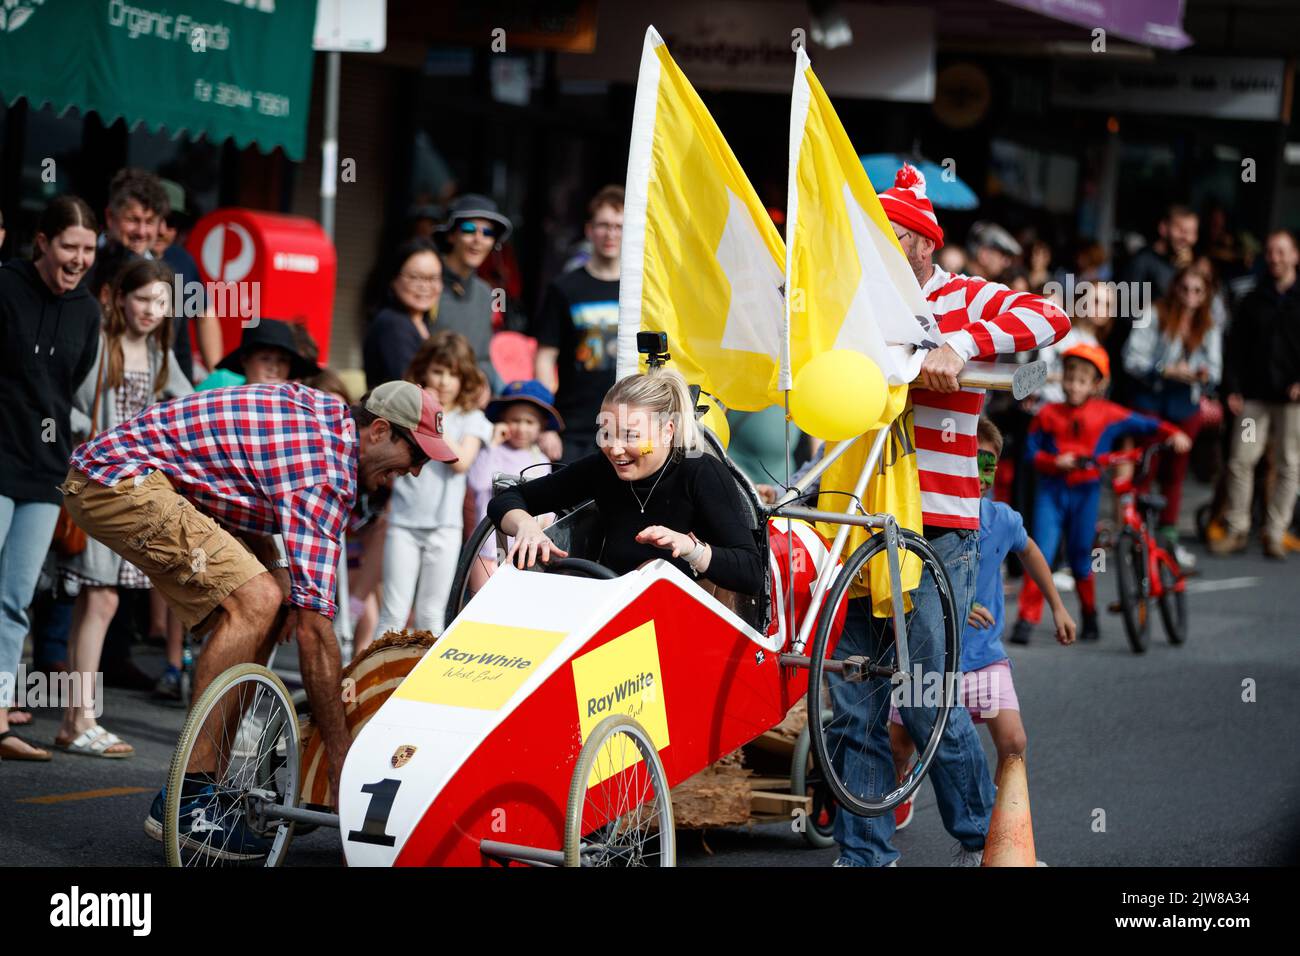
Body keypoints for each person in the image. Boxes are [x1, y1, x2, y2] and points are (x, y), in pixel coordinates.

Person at [60, 379, 453, 857]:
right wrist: (341, 754)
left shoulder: (328, 419)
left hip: (126, 474)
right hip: (119, 477)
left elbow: (245, 485)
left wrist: (280, 577)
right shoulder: (326, 473)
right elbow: (315, 633)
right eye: (415, 455)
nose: (413, 472)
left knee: (273, 594)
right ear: (378, 431)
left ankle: (207, 788)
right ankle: (190, 799)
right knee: (261, 600)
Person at [826, 163, 1070, 868]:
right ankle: (865, 857)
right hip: (861, 520)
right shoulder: (851, 300)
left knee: (929, 697)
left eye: (890, 237)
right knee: (855, 703)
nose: (873, 249)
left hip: (940, 522)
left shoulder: (964, 296)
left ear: (925, 245)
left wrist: (959, 345)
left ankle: (983, 838)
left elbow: (1049, 316)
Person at [890, 418, 1076, 829]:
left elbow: (1030, 553)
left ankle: (1004, 827)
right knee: (898, 746)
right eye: (969, 462)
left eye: (987, 464)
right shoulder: (924, 520)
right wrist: (958, 601)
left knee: (1014, 742)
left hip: (983, 658)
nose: (979, 474)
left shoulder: (1003, 519)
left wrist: (1058, 606)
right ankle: (898, 791)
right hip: (931, 659)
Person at [55, 259, 193, 756]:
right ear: (117, 297)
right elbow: (61, 399)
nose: (151, 311)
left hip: (131, 493)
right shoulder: (101, 345)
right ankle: (83, 718)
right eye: (142, 299)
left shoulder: (158, 355)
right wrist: (90, 437)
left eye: (161, 302)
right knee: (102, 599)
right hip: (95, 486)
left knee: (98, 602)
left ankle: (77, 719)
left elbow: (187, 405)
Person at [489, 367, 764, 595]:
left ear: (667, 431)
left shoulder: (700, 473)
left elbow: (751, 572)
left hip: (685, 628)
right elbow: (507, 499)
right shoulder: (603, 468)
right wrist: (526, 525)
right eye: (606, 434)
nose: (615, 449)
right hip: (612, 614)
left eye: (631, 436)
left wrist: (690, 549)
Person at [0, 196, 102, 763]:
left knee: (15, 600)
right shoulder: (6, 285)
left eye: (89, 249)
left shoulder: (88, 312)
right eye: (69, 246)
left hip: (44, 472)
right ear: (42, 242)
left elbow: (72, 390)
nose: (79, 259)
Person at [1012, 345, 1191, 643]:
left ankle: (1090, 614)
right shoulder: (1047, 414)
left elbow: (1146, 423)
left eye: (1082, 381)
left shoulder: (1108, 413)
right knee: (1040, 552)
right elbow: (1029, 453)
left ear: (1097, 385)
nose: (1073, 386)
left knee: (1083, 555)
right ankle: (1026, 620)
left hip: (1086, 491)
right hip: (1051, 492)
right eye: (1069, 378)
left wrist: (1174, 432)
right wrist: (1053, 462)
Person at [375, 332, 493, 641]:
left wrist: (433, 417)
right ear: (423, 370)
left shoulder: (472, 418)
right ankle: (371, 684)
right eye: (438, 371)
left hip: (445, 528)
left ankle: (422, 685)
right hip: (403, 524)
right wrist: (422, 410)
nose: (443, 381)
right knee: (393, 612)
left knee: (430, 614)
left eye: (453, 374)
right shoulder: (406, 412)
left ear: (465, 378)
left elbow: (461, 461)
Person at [1123, 265, 1222, 563]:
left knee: (1174, 475)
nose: (1190, 297)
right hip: (1152, 399)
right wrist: (1164, 369)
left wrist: (1202, 375)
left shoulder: (1208, 324)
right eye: (1185, 289)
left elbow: (1216, 370)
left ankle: (1168, 542)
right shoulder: (1153, 313)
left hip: (1185, 403)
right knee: (1146, 469)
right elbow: (1131, 357)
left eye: (1197, 291)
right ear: (1175, 288)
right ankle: (1137, 541)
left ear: (1205, 295)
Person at [1213, 229, 1300, 559]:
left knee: (1290, 464)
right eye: (1271, 252)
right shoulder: (1252, 298)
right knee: (1241, 460)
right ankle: (1237, 528)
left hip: (1293, 400)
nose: (1275, 258)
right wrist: (1232, 388)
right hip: (1254, 395)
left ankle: (1275, 532)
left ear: (1295, 256)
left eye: (1282, 252)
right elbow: (1235, 348)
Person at [534, 186, 623, 463]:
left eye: (619, 226)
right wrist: (547, 422)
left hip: (627, 428)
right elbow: (545, 358)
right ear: (589, 230)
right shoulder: (564, 288)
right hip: (571, 429)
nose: (611, 234)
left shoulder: (644, 291)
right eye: (604, 225)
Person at [467, 381, 562, 589]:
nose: (521, 428)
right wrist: (492, 444)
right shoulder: (490, 451)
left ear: (542, 426)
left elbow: (547, 503)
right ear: (502, 421)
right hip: (487, 549)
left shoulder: (541, 459)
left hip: (522, 551)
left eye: (529, 422)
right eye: (514, 420)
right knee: (483, 607)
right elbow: (477, 481)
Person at [436, 194, 514, 394]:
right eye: (469, 229)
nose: (478, 239)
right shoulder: (428, 281)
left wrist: (483, 385)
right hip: (430, 391)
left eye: (487, 232)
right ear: (451, 235)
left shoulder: (486, 293)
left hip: (468, 400)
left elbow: (483, 358)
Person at [363, 238, 443, 387]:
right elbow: (408, 386)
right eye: (414, 277)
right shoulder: (392, 324)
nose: (425, 286)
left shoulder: (424, 323)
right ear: (394, 279)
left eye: (433, 278)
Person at [199, 317, 320, 389]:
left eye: (282, 360)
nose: (274, 367)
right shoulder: (221, 383)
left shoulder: (298, 406)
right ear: (244, 360)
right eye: (265, 358)